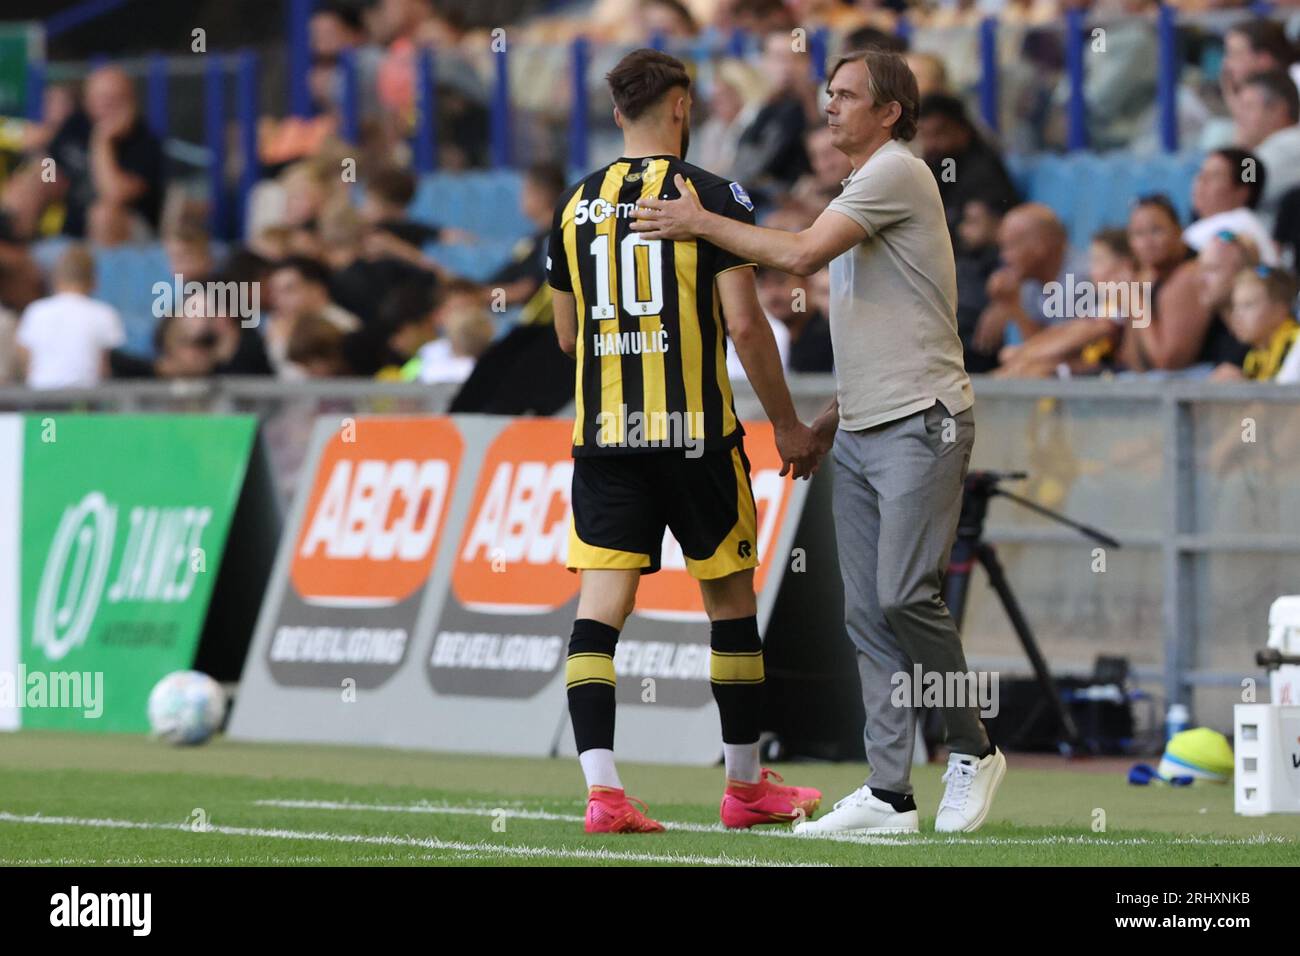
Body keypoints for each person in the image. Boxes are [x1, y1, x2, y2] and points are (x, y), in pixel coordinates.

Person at [635, 47, 1005, 835]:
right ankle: (890, 794)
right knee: (867, 613)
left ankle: (975, 747)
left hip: (923, 421)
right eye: (828, 93)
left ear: (891, 112)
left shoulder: (898, 171)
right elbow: (884, 336)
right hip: (867, 426)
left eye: (845, 95)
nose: (829, 106)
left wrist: (700, 221)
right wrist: (816, 430)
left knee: (905, 595)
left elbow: (798, 253)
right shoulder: (864, 186)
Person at [547, 48, 822, 835]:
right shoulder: (707, 193)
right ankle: (744, 788)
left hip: (604, 440)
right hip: (696, 436)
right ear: (682, 105)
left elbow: (567, 338)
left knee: (598, 617)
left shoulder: (574, 205)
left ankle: (603, 793)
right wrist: (790, 425)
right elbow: (743, 322)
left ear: (615, 113)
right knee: (730, 605)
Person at [2, 66, 164, 244]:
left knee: (103, 214)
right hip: (71, 232)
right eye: (100, 98)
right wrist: (38, 181)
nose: (106, 105)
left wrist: (102, 141)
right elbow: (49, 163)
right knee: (22, 188)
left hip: (130, 239)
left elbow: (114, 196)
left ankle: (99, 271)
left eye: (114, 99)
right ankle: (14, 257)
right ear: (87, 100)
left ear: (131, 102)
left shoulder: (146, 142)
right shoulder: (76, 125)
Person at [15, 244, 124, 389]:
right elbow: (104, 367)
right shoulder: (104, 313)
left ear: (55, 279)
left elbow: (25, 362)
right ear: (94, 281)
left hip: (41, 400)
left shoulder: (36, 311)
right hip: (85, 400)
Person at [1182, 148, 1278, 264]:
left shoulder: (1233, 224)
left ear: (1242, 192)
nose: (1201, 180)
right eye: (1201, 173)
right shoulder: (1249, 223)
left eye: (1214, 176)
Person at [1211, 265, 1299, 383]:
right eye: (1235, 306)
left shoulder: (1296, 344)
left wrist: (1241, 388)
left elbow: (1287, 399)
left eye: (1248, 305)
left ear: (1280, 309)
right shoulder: (1255, 357)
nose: (1237, 315)